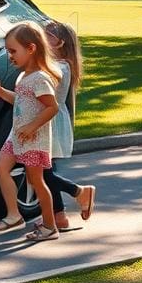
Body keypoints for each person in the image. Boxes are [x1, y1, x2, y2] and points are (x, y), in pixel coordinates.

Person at [0, 21, 62, 241]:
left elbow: (52, 107)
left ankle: (49, 226)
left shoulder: (39, 78)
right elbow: (19, 101)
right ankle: (14, 215)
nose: (10, 56)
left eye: (13, 51)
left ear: (31, 48)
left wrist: (31, 126)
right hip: (17, 135)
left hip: (33, 139)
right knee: (1, 167)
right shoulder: (23, 76)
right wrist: (0, 91)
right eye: (8, 51)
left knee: (37, 182)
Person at [37, 21, 96, 229]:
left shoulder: (60, 67)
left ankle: (79, 192)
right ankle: (59, 216)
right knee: (45, 169)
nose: (42, 39)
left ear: (60, 43)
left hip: (50, 121)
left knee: (42, 172)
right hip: (47, 119)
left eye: (47, 36)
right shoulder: (55, 65)